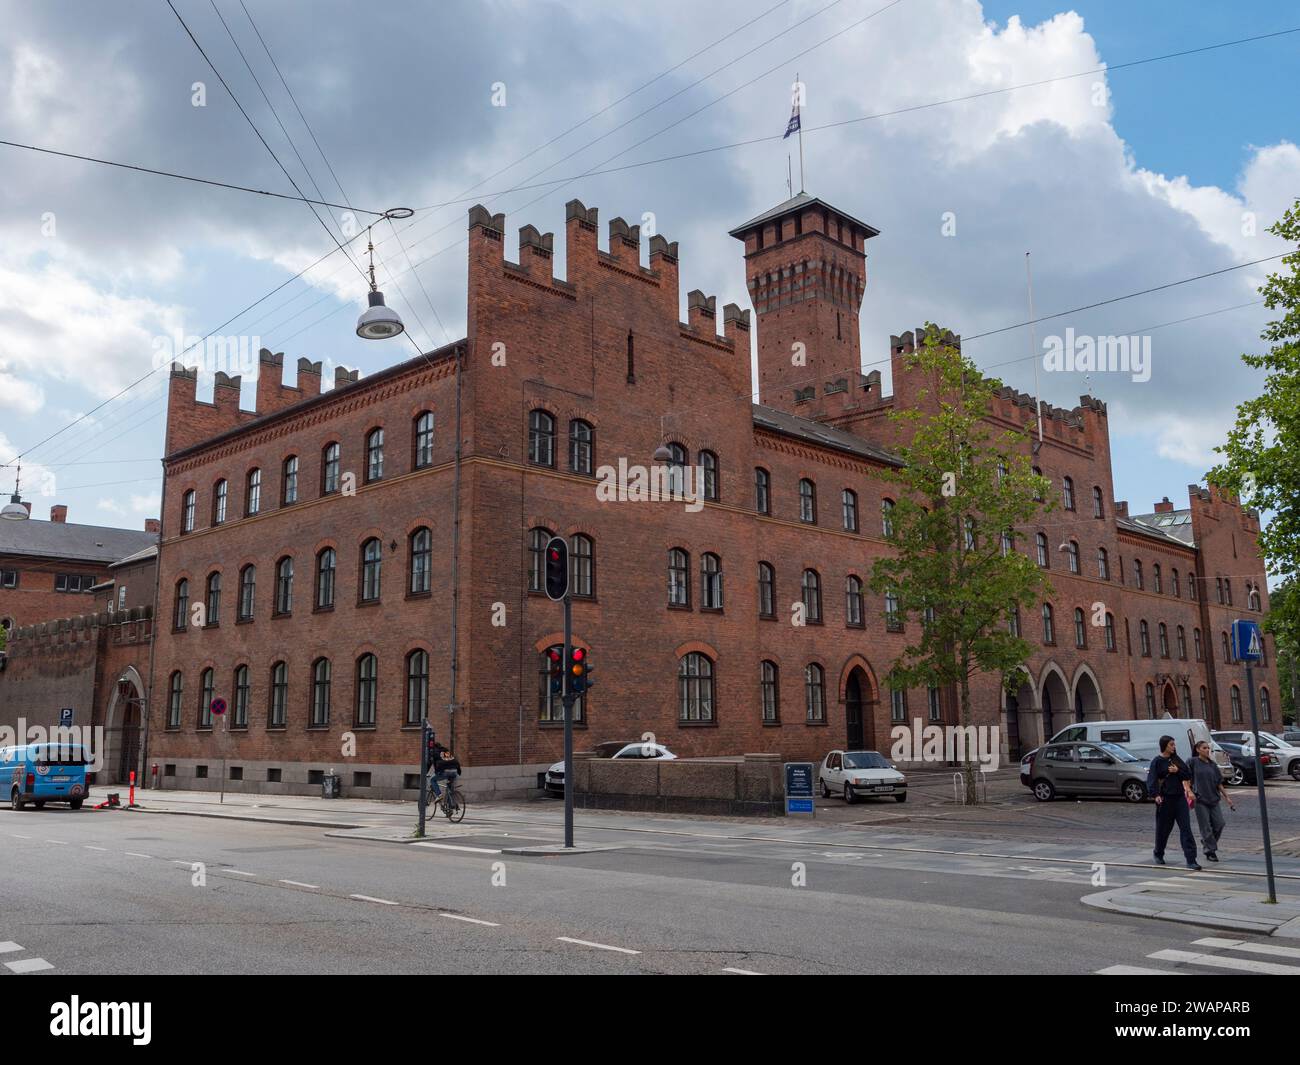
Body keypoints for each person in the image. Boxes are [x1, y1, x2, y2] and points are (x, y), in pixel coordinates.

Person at [1151, 735, 1200, 870]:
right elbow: (1152, 779)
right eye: (1171, 744)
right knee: (1163, 830)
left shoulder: (1176, 760)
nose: (1174, 747)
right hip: (1165, 799)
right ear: (1164, 745)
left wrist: (1177, 770)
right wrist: (1156, 795)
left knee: (1186, 829)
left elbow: (1187, 775)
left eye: (1174, 744)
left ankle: (1191, 859)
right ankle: (1158, 853)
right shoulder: (1157, 761)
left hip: (1179, 799)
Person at [1189, 740, 1235, 862]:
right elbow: (1186, 778)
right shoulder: (1192, 762)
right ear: (1198, 749)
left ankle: (1207, 842)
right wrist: (1189, 791)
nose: (1207, 750)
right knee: (1206, 828)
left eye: (1208, 748)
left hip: (1213, 799)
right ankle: (1210, 851)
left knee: (1219, 824)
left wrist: (1227, 797)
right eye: (1204, 748)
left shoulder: (1212, 765)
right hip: (1200, 799)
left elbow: (1218, 783)